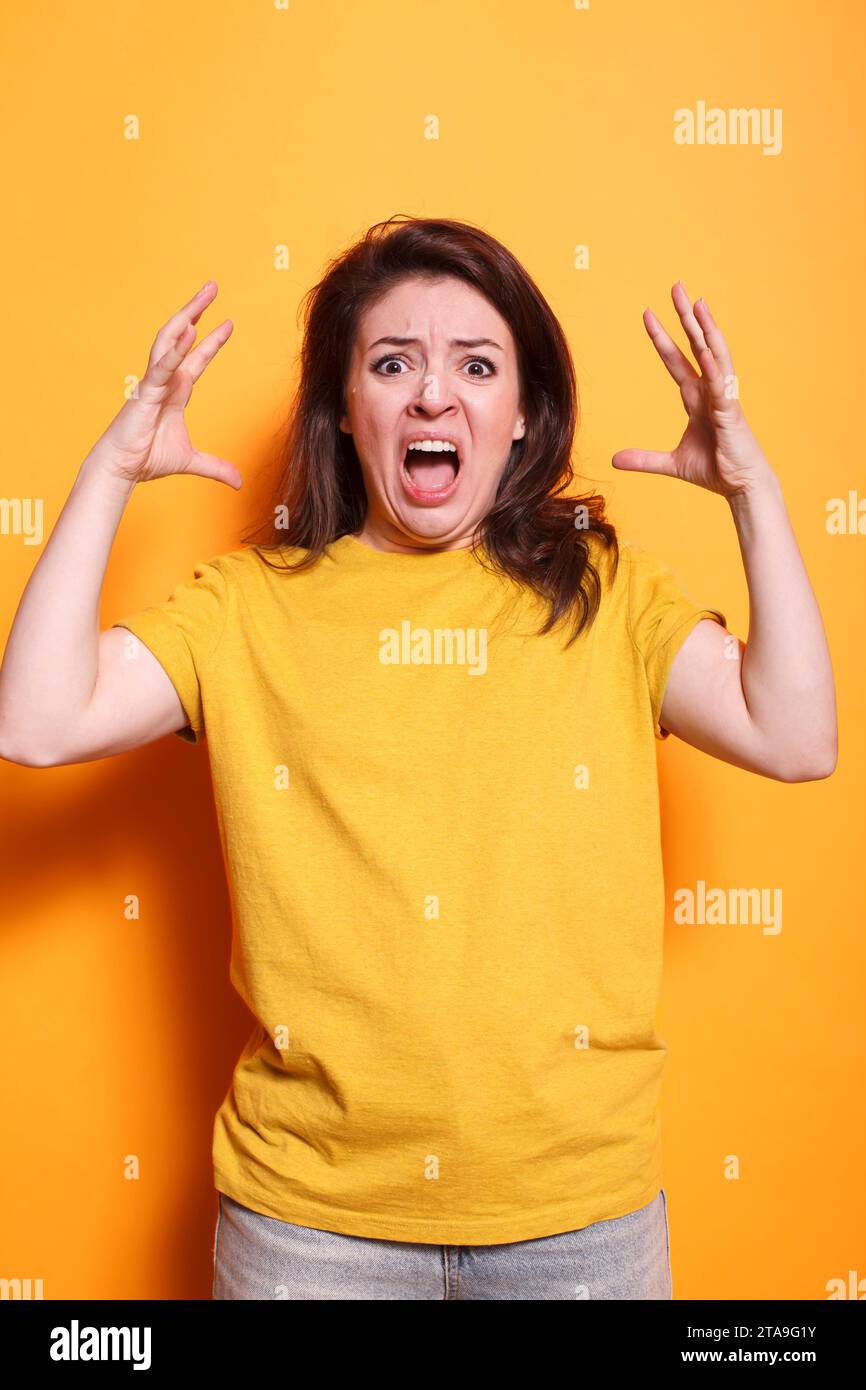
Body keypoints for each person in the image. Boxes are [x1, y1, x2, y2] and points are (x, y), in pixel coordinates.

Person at [0, 216, 837, 1301]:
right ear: (346, 414)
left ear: (522, 413)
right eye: (391, 364)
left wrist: (751, 493)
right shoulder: (246, 609)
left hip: (575, 1218)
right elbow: (34, 721)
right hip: (310, 1226)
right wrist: (110, 469)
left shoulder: (605, 596)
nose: (432, 396)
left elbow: (795, 735)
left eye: (475, 366)